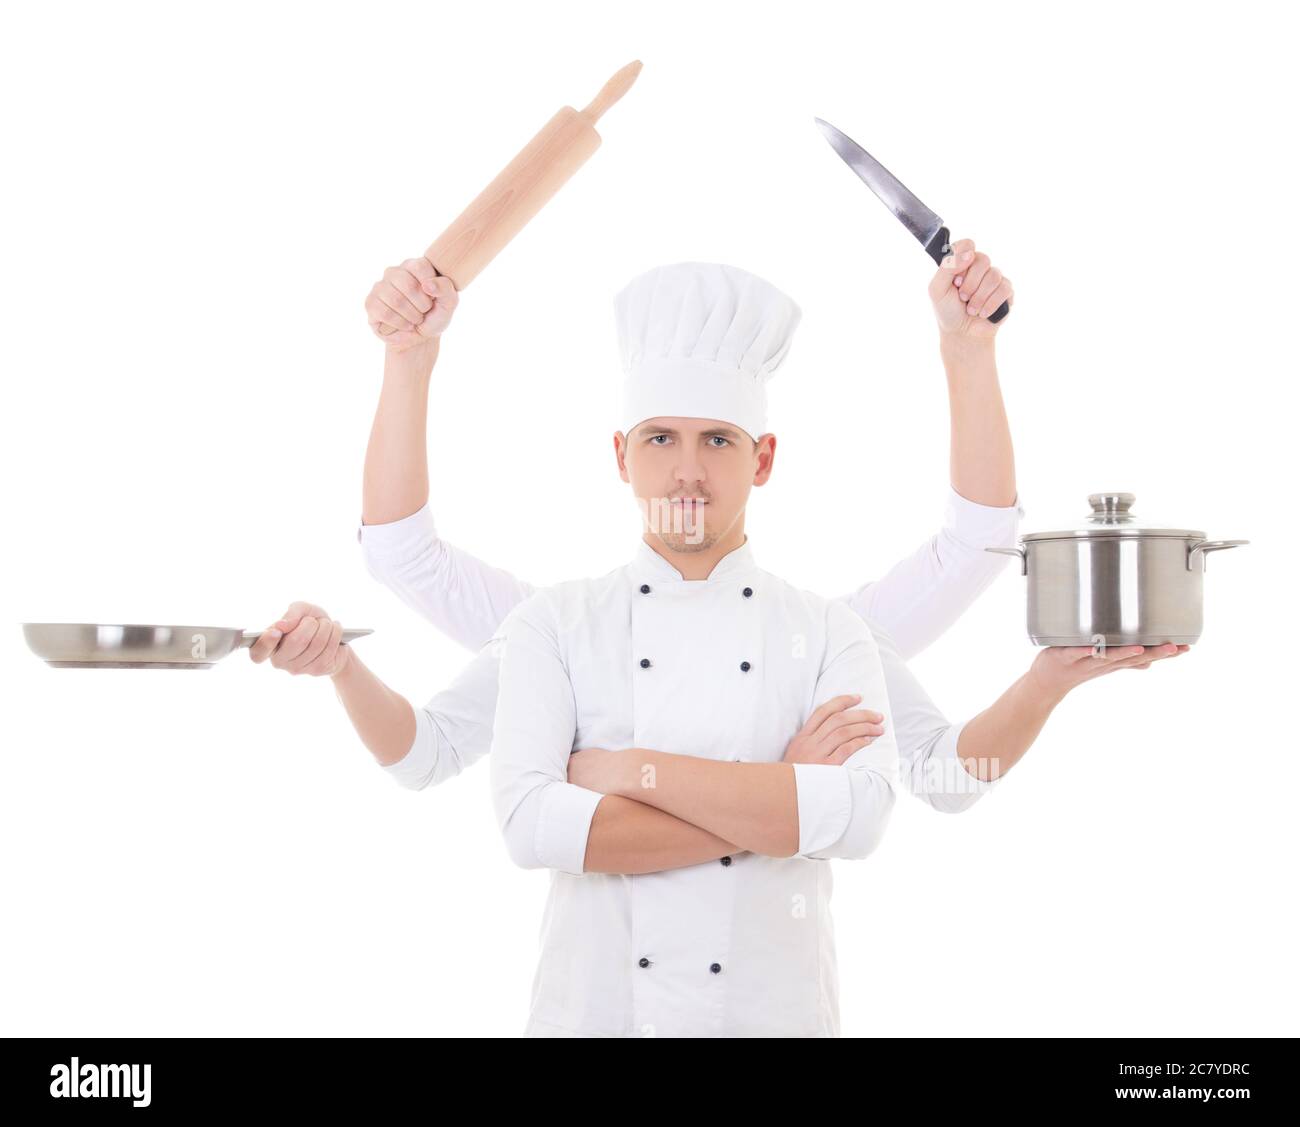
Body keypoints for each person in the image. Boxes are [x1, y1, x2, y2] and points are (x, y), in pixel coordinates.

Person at [251, 260, 1187, 1037]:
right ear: (621, 455)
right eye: (660, 438)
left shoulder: (827, 629)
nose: (688, 469)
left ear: (763, 458)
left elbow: (933, 775)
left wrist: (631, 774)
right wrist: (780, 790)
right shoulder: (556, 624)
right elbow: (454, 764)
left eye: (718, 440)